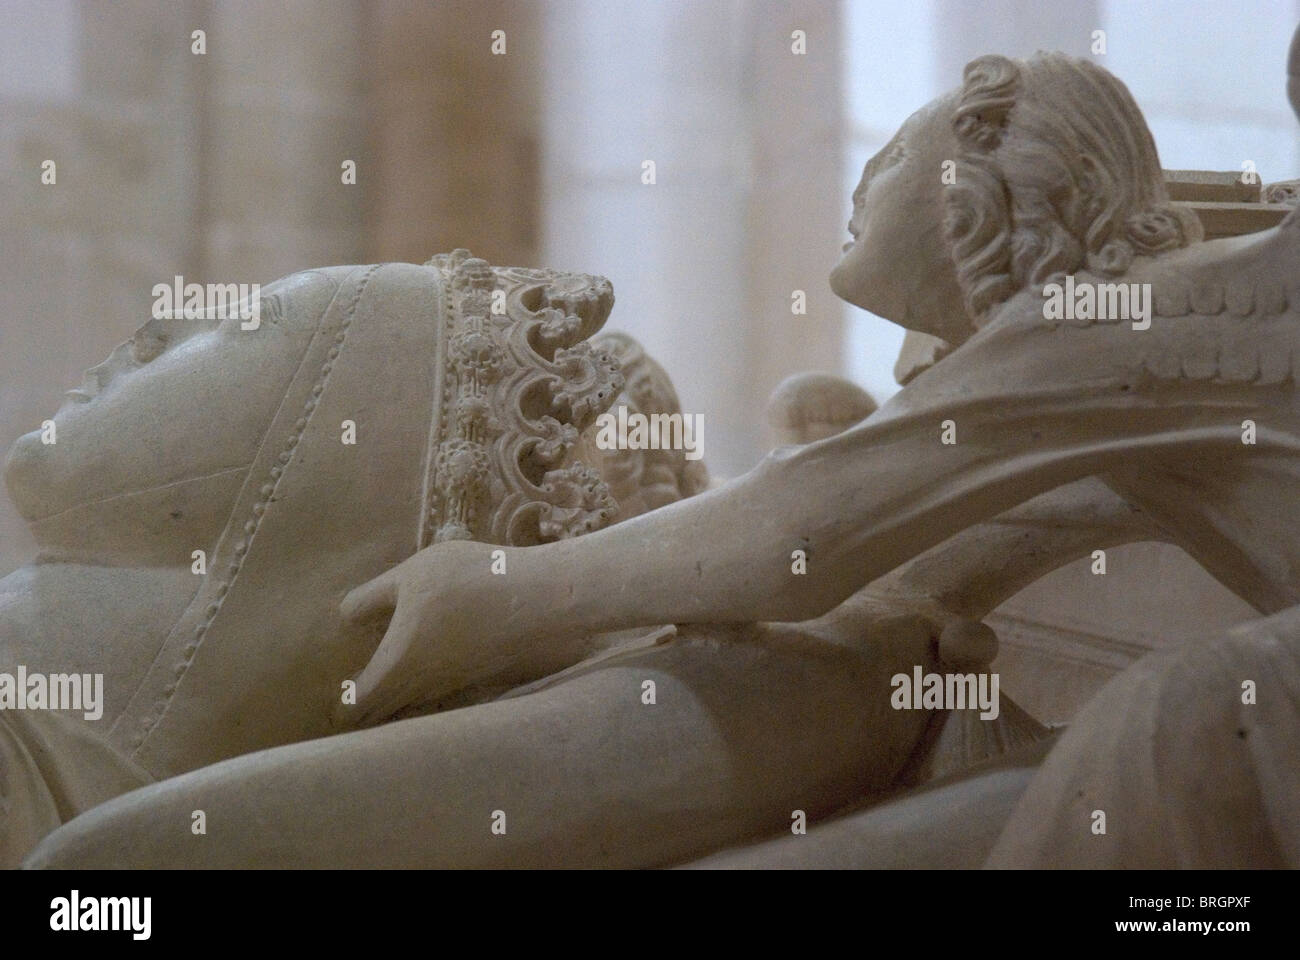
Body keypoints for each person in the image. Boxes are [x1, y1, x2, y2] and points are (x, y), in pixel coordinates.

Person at [27, 47, 1299, 869]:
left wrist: (501, 592)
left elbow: (788, 541)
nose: (866, 175)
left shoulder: (1104, 325)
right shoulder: (1089, 373)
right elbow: (898, 561)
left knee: (1166, 735)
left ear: (967, 200)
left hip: (1237, 704)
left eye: (900, 151)